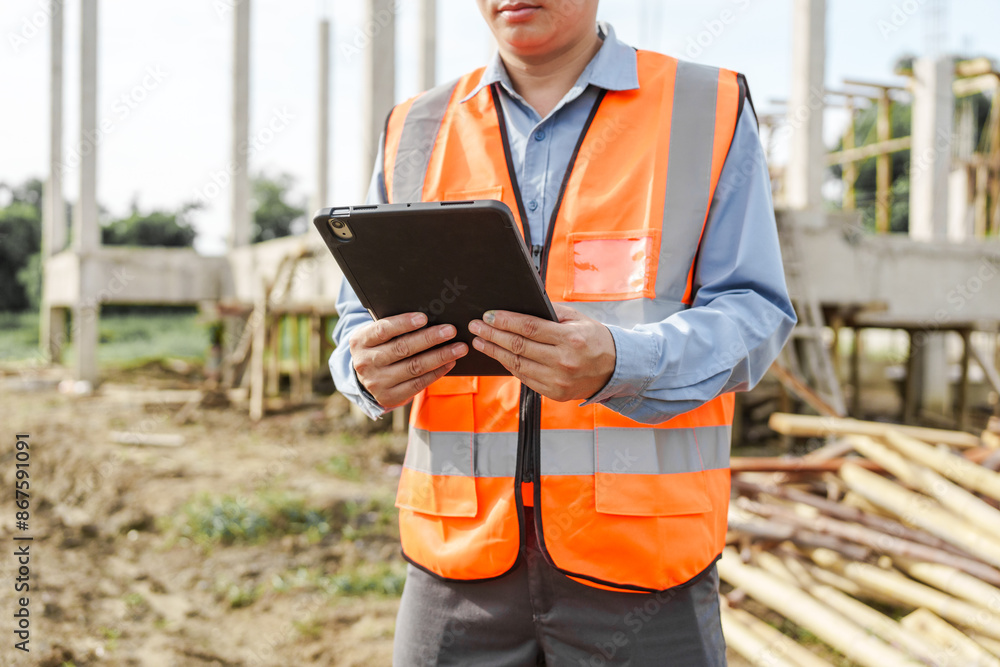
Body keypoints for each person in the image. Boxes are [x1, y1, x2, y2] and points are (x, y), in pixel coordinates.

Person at [330, 1, 796, 664]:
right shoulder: (417, 127)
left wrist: (623, 360)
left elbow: (756, 312)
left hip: (644, 570)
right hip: (456, 566)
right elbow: (357, 318)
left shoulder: (704, 106)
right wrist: (362, 370)